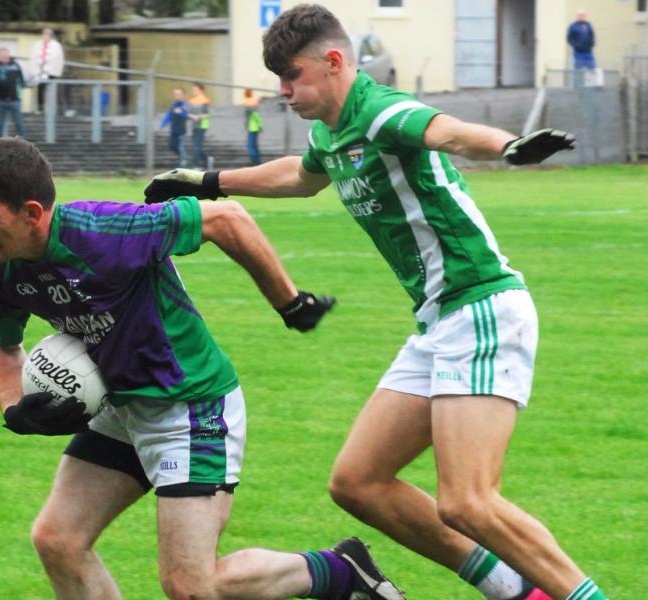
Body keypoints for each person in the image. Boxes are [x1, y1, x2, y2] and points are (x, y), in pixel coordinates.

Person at [143, 5, 609, 600]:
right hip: (439, 320)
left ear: (333, 63)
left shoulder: (380, 110)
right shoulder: (330, 132)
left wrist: (511, 146)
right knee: (358, 482)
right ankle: (515, 590)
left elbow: (446, 129)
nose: (283, 91)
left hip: (482, 307)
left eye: (291, 76)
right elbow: (303, 176)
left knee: (468, 499)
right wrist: (207, 182)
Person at [0, 136, 406, 600]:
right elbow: (4, 348)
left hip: (191, 406)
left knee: (190, 586)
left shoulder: (104, 231)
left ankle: (339, 571)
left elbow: (225, 219)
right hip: (123, 409)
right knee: (58, 541)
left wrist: (288, 303)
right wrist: (15, 410)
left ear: (32, 213)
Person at [30, 27, 65, 114]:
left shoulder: (56, 46)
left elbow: (59, 59)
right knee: (40, 90)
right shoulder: (37, 44)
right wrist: (33, 70)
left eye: (47, 35)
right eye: (44, 35)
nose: (45, 37)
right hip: (39, 72)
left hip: (51, 72)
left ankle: (52, 109)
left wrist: (57, 71)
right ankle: (40, 108)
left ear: (50, 36)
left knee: (51, 91)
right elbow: (33, 58)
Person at [0, 47, 26, 138]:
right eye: (2, 55)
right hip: (0, 100)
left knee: (18, 123)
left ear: (8, 55)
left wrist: (18, 92)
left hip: (14, 100)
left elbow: (22, 81)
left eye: (5, 54)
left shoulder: (16, 66)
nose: (4, 56)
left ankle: (21, 142)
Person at [160, 87, 189, 167]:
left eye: (179, 94)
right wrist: (163, 125)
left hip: (181, 130)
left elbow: (187, 115)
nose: (177, 96)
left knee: (180, 146)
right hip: (173, 129)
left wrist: (181, 112)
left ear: (183, 95)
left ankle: (183, 162)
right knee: (172, 146)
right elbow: (168, 115)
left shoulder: (185, 105)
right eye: (175, 94)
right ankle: (182, 159)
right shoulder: (172, 105)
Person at [189, 82, 210, 169]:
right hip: (194, 125)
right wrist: (190, 116)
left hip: (202, 125)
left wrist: (198, 117)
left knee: (196, 146)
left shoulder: (205, 100)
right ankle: (207, 160)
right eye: (193, 90)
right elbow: (189, 113)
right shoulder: (192, 101)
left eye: (196, 90)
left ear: (201, 90)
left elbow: (207, 114)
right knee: (198, 146)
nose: (194, 91)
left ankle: (195, 165)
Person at [242, 88, 263, 165]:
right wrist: (260, 125)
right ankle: (257, 161)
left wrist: (259, 125)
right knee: (254, 145)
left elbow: (255, 115)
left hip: (252, 127)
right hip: (254, 127)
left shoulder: (248, 102)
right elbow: (256, 115)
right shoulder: (253, 101)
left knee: (251, 146)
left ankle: (255, 162)